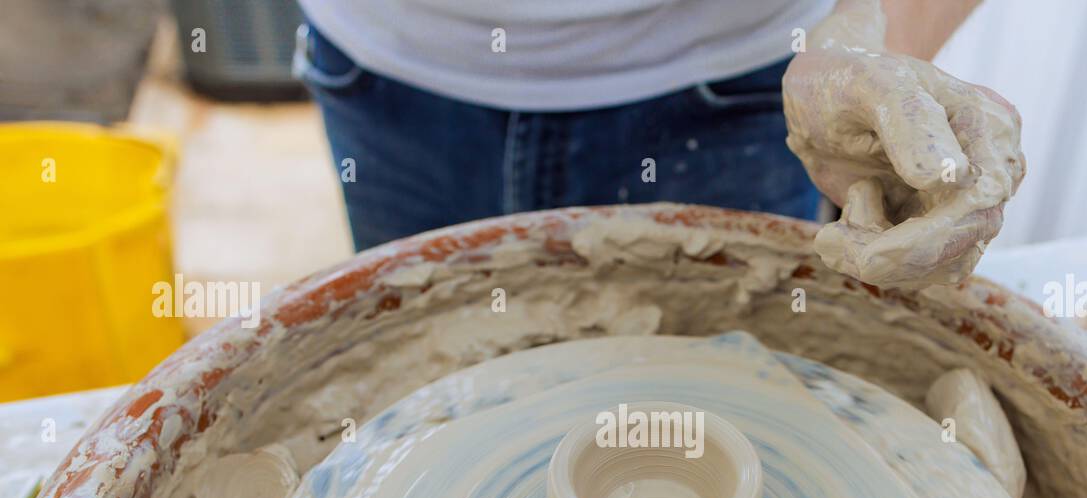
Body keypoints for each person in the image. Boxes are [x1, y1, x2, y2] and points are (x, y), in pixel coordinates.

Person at [294, 0, 1023, 287]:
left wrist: (883, 39)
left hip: (742, 82)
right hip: (392, 70)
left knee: (728, 413)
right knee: (426, 399)